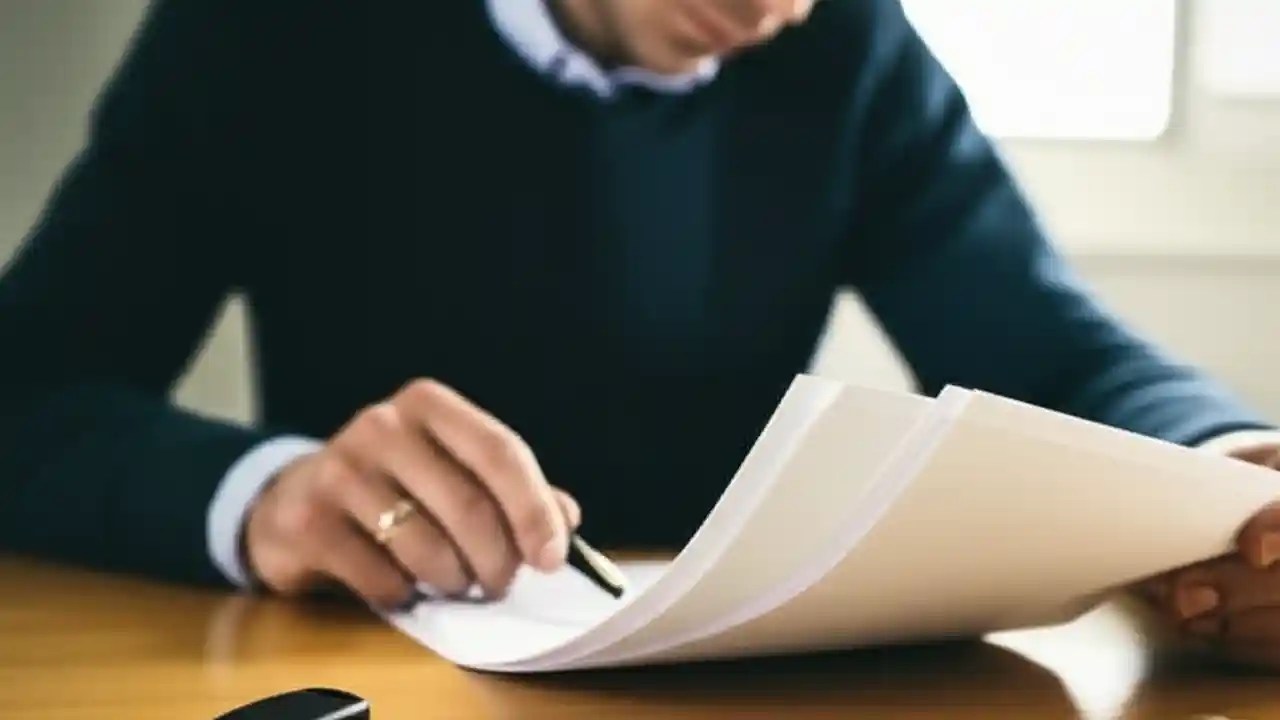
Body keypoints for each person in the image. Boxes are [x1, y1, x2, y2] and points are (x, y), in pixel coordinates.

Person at [2, 0, 1279, 668]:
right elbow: (28, 387)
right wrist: (264, 496)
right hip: (375, 674)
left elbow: (1052, 345)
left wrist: (1225, 462)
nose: (777, 6)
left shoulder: (848, 46)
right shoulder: (268, 29)